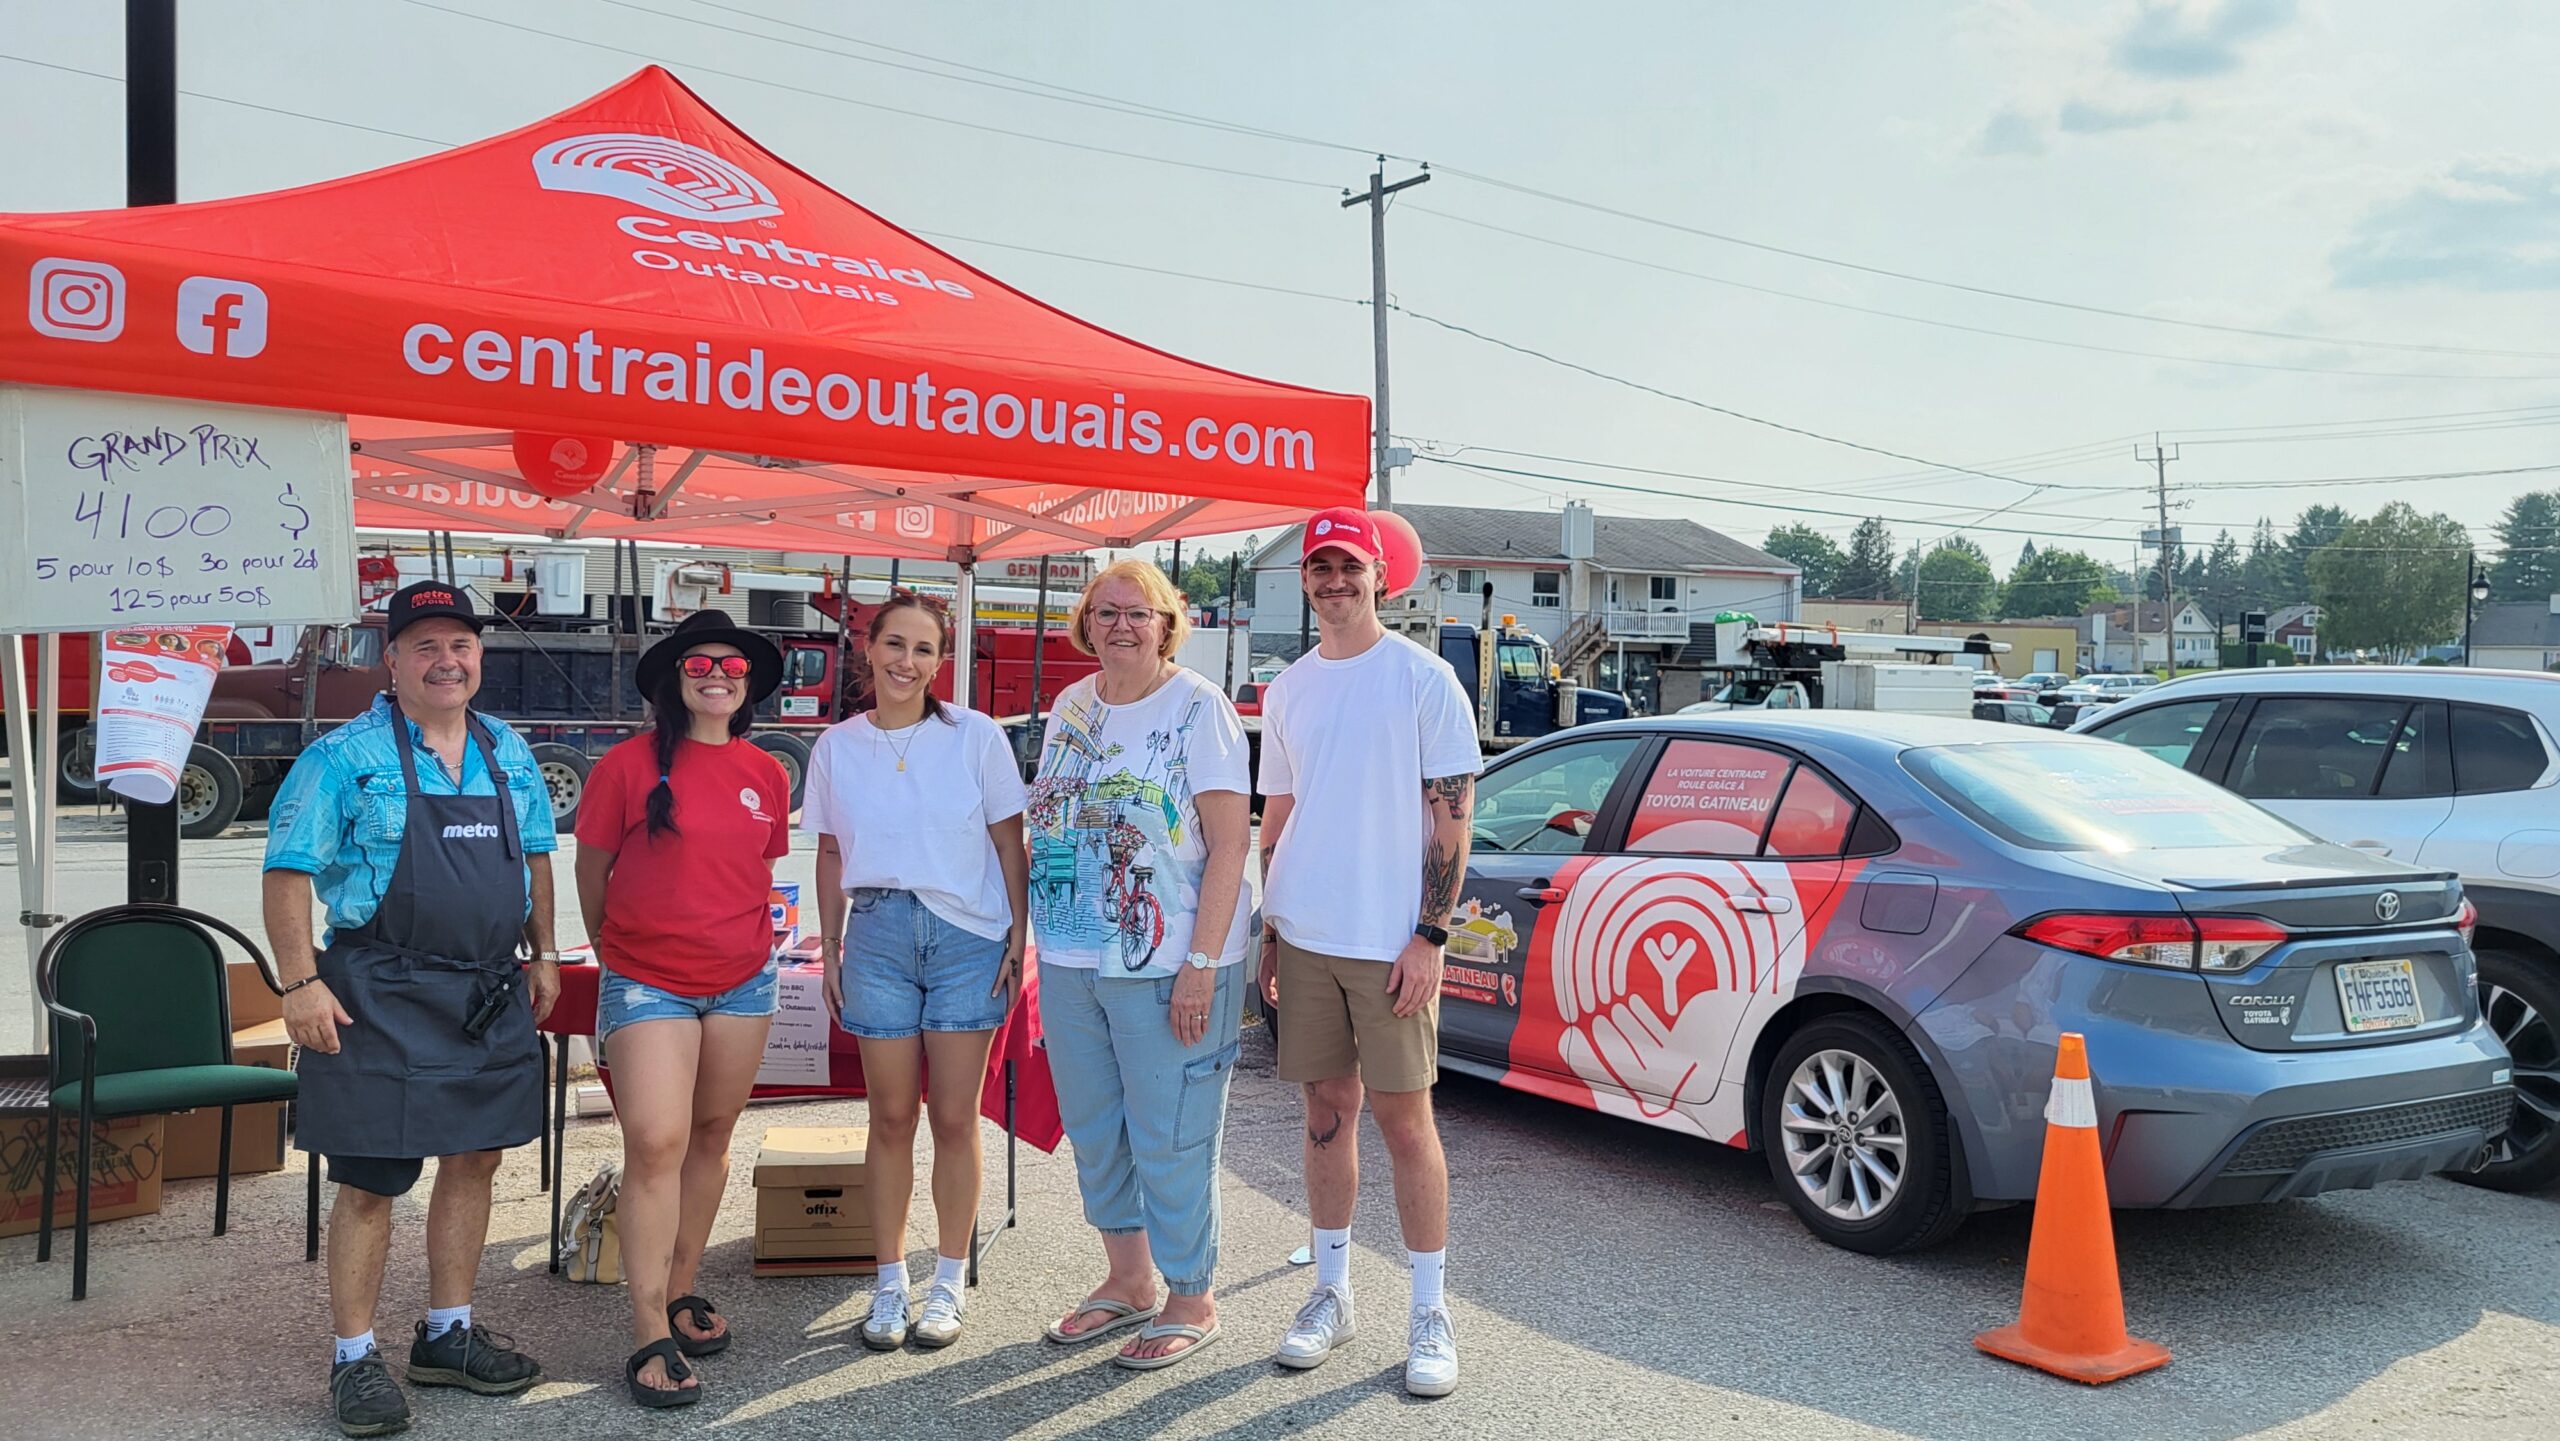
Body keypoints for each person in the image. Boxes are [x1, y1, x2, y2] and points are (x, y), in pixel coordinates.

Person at [261, 581, 561, 1438]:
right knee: (371, 1180)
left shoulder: (508, 750)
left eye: (460, 644)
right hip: (377, 992)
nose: (446, 661)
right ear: (391, 660)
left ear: (479, 656)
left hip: (484, 991)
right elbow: (286, 871)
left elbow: (537, 857)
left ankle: (447, 1334)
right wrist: (298, 982)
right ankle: (354, 1355)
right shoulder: (340, 758)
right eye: (425, 646)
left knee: (474, 1158)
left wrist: (544, 950)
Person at [1256, 509, 1481, 1398]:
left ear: (1380, 575)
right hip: (1307, 933)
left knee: (1404, 1121)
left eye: (1350, 565)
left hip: (1391, 942)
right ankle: (1331, 1292)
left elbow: (1452, 818)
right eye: (1320, 566)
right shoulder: (1288, 689)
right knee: (1325, 1113)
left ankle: (1429, 1309)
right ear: (1304, 579)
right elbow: (1280, 813)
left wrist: (1430, 935)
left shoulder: (1424, 679)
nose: (1335, 580)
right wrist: (1271, 926)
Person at [1026, 561, 1252, 1369]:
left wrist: (1201, 962)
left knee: (1172, 1133)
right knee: (1096, 1128)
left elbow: (1231, 844)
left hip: (1169, 958)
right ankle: (1128, 1278)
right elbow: (1051, 822)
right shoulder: (1071, 705)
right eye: (1107, 610)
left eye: (1139, 612)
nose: (1122, 624)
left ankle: (1192, 1293)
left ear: (1167, 623)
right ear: (1086, 621)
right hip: (1071, 953)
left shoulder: (1199, 707)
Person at [573, 611, 794, 1409]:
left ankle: (679, 1288)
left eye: (732, 664)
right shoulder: (625, 766)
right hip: (648, 980)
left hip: (744, 979)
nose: (717, 674)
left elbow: (757, 870)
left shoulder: (767, 771)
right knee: (656, 1141)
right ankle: (646, 1330)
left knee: (710, 1135)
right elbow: (591, 870)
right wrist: (614, 949)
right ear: (674, 678)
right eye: (699, 663)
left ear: (748, 682)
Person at [803, 591, 1030, 1352]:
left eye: (923, 648)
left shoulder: (976, 736)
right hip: (876, 935)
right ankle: (890, 1281)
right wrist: (831, 946)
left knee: (955, 1117)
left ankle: (948, 1281)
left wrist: (1017, 936)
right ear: (868, 649)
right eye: (894, 644)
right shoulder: (837, 746)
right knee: (891, 1116)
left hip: (968, 937)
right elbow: (829, 852)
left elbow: (1010, 844)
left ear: (941, 661)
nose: (906, 661)